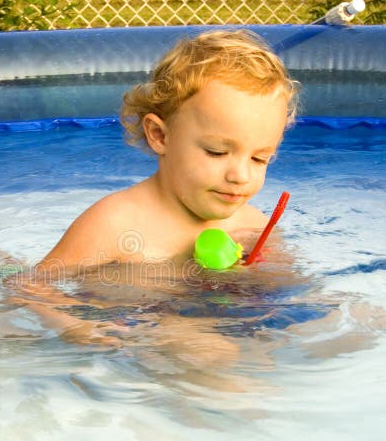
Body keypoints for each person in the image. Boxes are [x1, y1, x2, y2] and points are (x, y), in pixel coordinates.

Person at [39, 29, 299, 276]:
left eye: (259, 158)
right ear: (159, 135)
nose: (240, 176)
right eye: (216, 152)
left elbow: (292, 294)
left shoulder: (254, 229)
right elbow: (35, 290)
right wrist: (82, 325)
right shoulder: (112, 225)